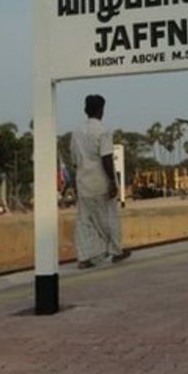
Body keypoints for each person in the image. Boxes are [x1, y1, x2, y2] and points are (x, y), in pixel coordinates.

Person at [70, 95, 131, 269]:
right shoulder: (103, 131)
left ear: (85, 110)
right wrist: (113, 181)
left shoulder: (76, 132)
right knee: (109, 217)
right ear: (101, 110)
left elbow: (74, 160)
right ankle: (116, 251)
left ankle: (84, 257)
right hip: (100, 181)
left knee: (84, 220)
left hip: (83, 182)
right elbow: (106, 158)